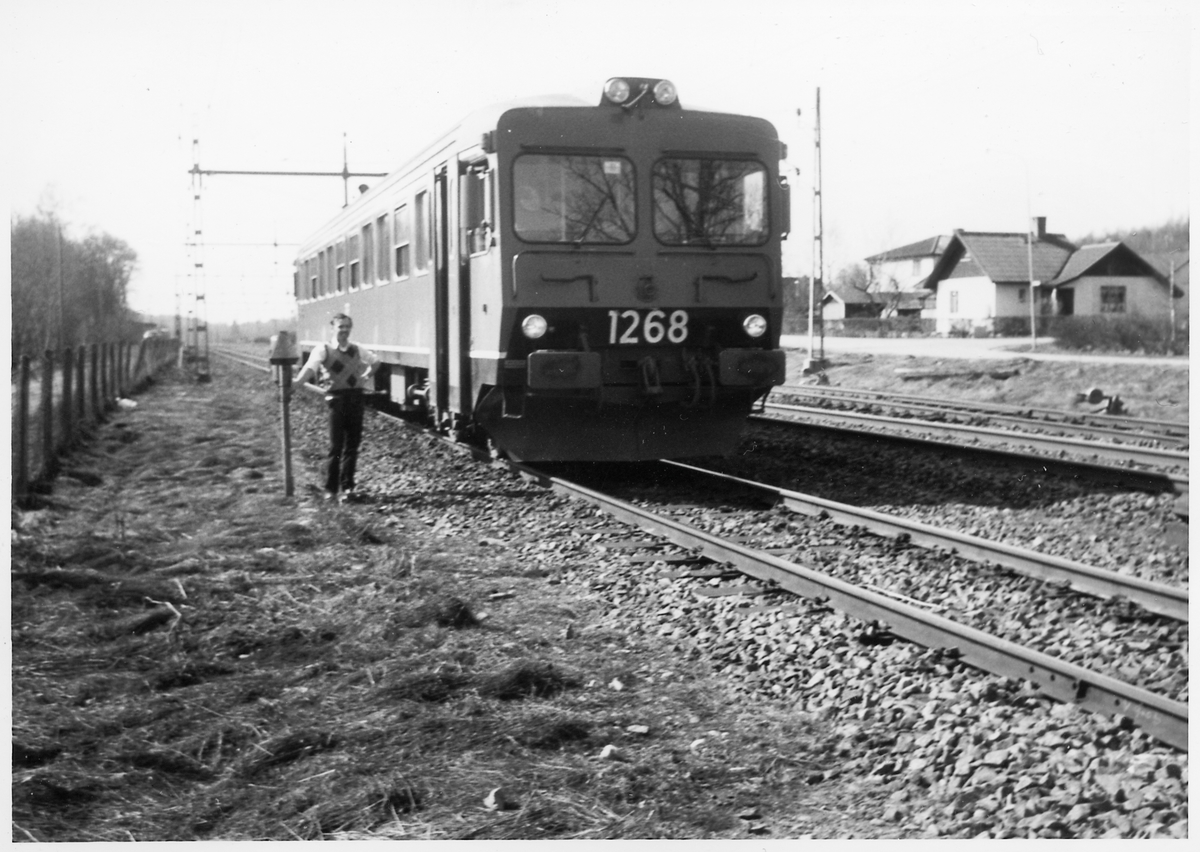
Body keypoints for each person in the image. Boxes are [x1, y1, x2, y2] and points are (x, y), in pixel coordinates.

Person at [289, 313, 380, 502]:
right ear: (333, 328)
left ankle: (348, 488)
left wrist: (366, 376)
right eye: (341, 327)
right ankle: (331, 489)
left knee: (352, 447)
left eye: (347, 327)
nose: (344, 330)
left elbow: (376, 362)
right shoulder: (323, 349)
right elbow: (311, 367)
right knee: (336, 447)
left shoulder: (357, 349)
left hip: (356, 399)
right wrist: (297, 383)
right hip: (336, 400)